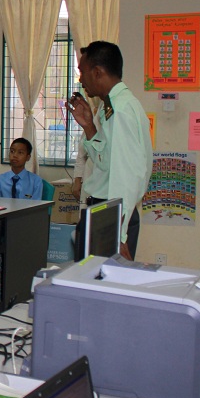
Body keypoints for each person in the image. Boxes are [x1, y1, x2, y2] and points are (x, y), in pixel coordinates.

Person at [67, 41, 152, 260]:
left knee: (98, 286)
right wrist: (89, 127)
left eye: (82, 72)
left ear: (97, 72)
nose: (80, 79)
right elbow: (105, 163)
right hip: (105, 212)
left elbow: (129, 175)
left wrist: (119, 234)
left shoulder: (121, 109)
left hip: (111, 216)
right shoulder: (110, 106)